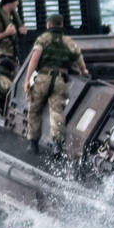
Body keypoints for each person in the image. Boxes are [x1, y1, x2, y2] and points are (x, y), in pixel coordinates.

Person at [23, 14, 88, 153]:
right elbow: (79, 58)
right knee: (57, 112)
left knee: (34, 109)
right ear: (61, 25)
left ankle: (33, 143)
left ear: (48, 25)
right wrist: (83, 71)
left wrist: (27, 79)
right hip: (59, 80)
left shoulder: (43, 39)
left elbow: (34, 59)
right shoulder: (68, 41)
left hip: (42, 78)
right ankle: (57, 145)